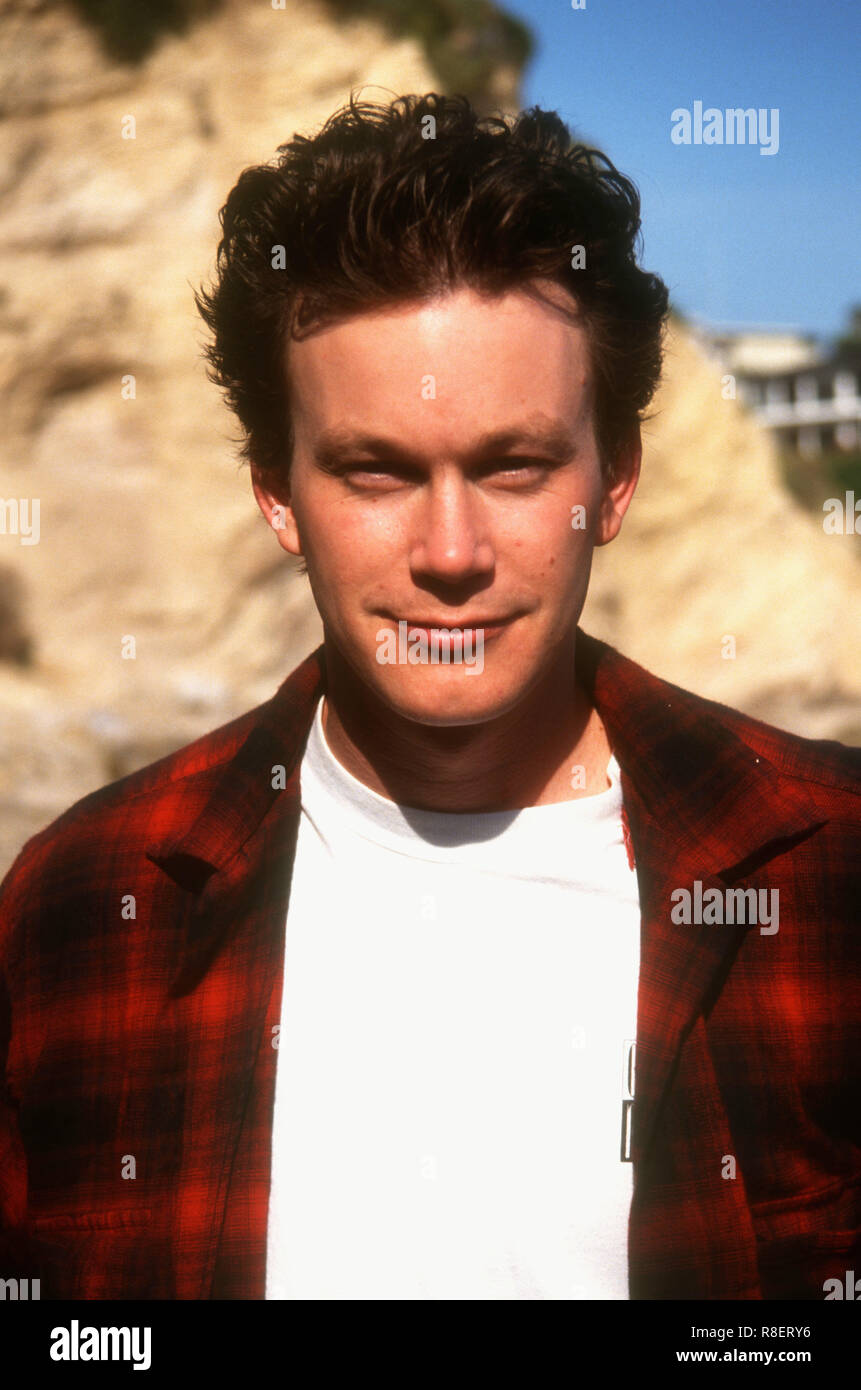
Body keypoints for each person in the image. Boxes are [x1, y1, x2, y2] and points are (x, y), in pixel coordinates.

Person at [0, 93, 858, 1302]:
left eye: (515, 466)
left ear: (614, 480)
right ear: (278, 494)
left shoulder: (833, 877)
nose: (451, 551)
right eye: (375, 470)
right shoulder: (83, 909)